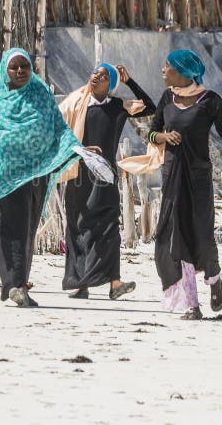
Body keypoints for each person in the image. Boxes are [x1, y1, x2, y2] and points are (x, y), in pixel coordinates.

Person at [0, 48, 82, 307]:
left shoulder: (41, 93)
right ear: (5, 72)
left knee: (27, 229)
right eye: (15, 67)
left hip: (35, 174)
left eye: (25, 66)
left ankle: (16, 284)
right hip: (5, 175)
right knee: (7, 229)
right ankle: (15, 285)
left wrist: (77, 148)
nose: (21, 71)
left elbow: (59, 128)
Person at [147, 50, 222, 320]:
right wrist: (164, 136)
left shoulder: (210, 100)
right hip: (172, 175)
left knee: (203, 234)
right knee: (178, 237)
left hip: (198, 176)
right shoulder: (167, 98)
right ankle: (191, 305)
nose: (163, 70)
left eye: (168, 66)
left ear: (184, 71)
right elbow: (152, 131)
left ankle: (214, 279)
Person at [58, 62, 156, 300]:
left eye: (103, 76)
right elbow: (58, 131)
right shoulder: (76, 103)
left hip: (105, 176)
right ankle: (80, 284)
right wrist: (78, 148)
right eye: (94, 72)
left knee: (109, 227)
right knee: (78, 227)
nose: (96, 77)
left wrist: (129, 81)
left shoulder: (117, 106)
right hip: (79, 173)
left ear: (110, 85)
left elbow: (150, 107)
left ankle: (115, 283)